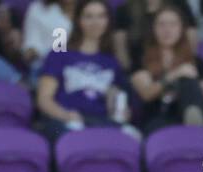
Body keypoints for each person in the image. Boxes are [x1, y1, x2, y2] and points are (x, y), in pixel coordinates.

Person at [36, 0, 131, 141]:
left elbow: (116, 102)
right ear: (78, 20)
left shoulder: (111, 60)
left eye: (101, 16)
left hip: (101, 122)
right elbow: (44, 99)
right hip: (65, 121)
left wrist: (124, 112)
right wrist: (66, 115)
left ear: (108, 21)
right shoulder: (59, 53)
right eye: (89, 16)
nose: (95, 22)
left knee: (132, 137)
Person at [130, 3, 203, 133]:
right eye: (161, 24)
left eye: (173, 24)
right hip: (159, 116)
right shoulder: (141, 60)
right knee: (185, 75)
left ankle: (192, 117)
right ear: (153, 29)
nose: (167, 30)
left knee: (189, 82)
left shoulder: (198, 62)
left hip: (200, 116)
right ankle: (193, 126)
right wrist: (175, 75)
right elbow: (146, 94)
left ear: (182, 29)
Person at [112, 0, 196, 70]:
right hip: (138, 68)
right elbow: (120, 47)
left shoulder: (179, 5)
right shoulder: (124, 10)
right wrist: (129, 71)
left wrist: (185, 64)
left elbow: (191, 39)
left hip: (176, 65)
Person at [22, 0, 75, 77]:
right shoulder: (38, 8)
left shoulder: (91, 9)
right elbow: (30, 46)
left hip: (81, 68)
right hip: (45, 68)